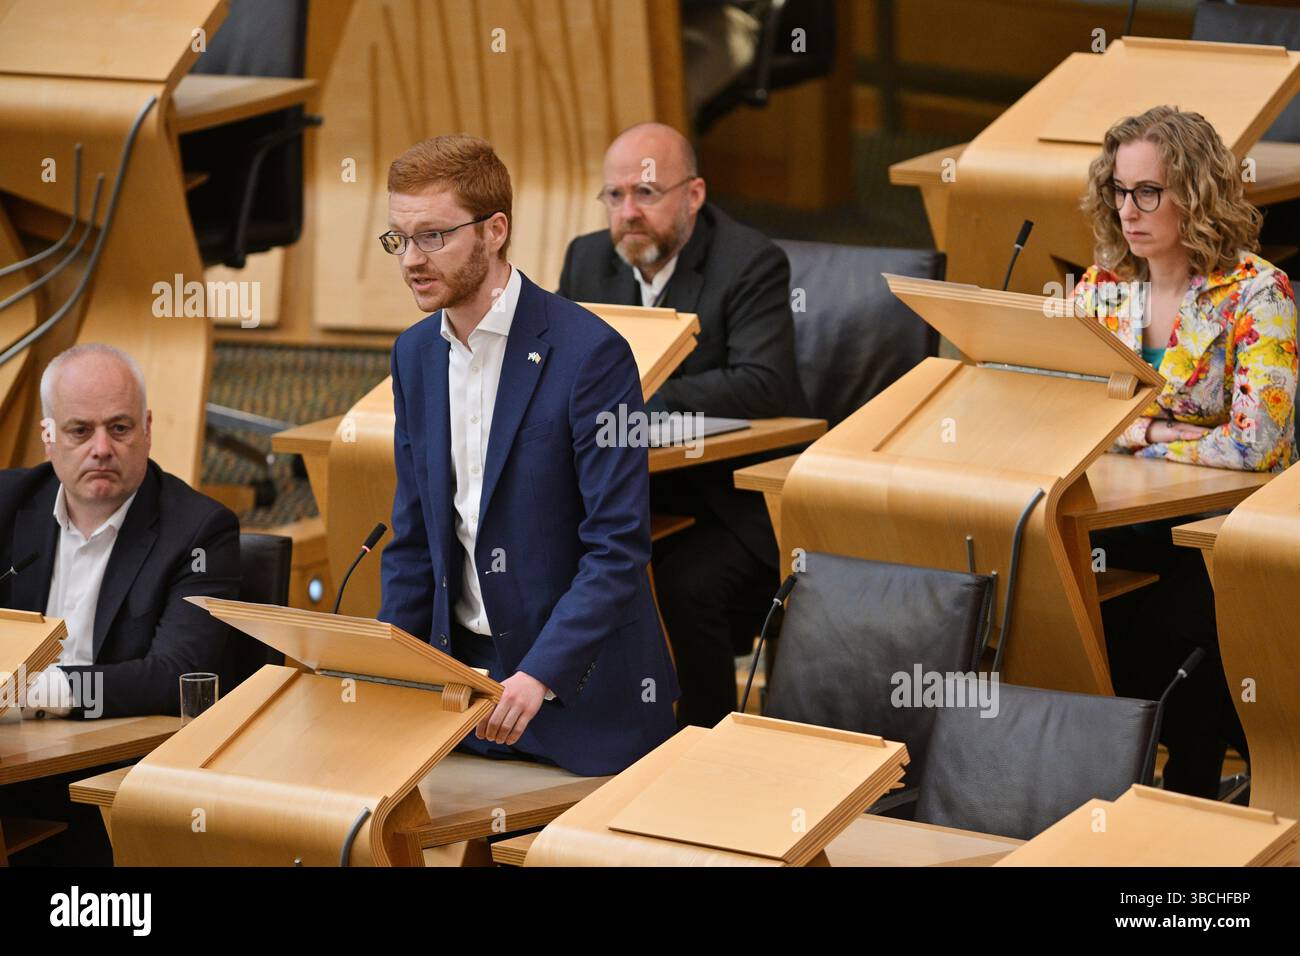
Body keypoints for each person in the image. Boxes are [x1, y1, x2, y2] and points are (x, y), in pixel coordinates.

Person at [376, 134, 678, 777]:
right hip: (464, 700)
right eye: (400, 239)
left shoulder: (591, 355)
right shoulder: (413, 356)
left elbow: (617, 546)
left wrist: (540, 673)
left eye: (433, 237)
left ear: (495, 230)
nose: (411, 260)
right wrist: (389, 673)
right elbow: (414, 541)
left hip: (583, 705)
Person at [1074, 105, 1298, 797]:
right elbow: (1065, 413)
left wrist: (1131, 434)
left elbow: (1258, 444)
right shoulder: (1101, 287)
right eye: (1120, 190)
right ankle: (1091, 787)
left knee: (1172, 623)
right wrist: (1159, 432)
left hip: (1220, 531)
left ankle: (1195, 788)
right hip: (1112, 517)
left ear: (1195, 195)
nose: (1130, 210)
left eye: (1150, 192)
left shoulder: (1258, 293)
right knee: (1061, 598)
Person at [558, 122, 807, 728]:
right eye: (614, 197)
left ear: (693, 195)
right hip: (623, 491)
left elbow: (763, 384)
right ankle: (583, 729)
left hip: (725, 501)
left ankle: (704, 741)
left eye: (646, 194)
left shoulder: (750, 263)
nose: (628, 213)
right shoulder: (587, 259)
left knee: (680, 585)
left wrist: (637, 398)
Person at [0, 343, 240, 864]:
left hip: (116, 775)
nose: (102, 448)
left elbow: (181, 673)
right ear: (48, 437)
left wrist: (42, 687)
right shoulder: (7, 504)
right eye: (79, 431)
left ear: (148, 429)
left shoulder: (199, 531)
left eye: (120, 428)